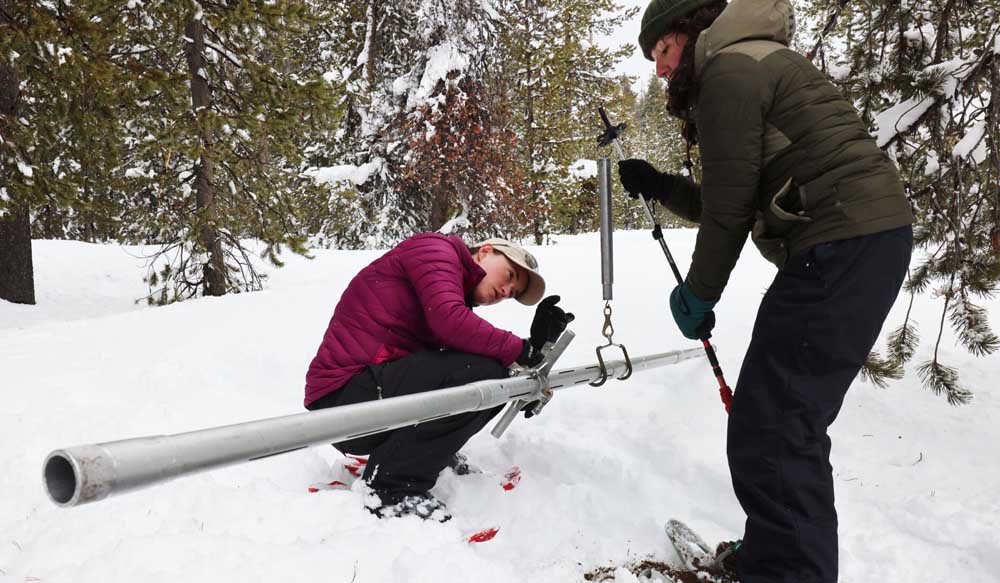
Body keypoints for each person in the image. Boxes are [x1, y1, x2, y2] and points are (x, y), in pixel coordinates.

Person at [619, 0, 914, 581]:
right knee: (778, 419)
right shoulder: (750, 59)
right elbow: (733, 193)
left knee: (773, 424)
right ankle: (774, 559)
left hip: (841, 242)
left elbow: (729, 209)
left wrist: (699, 293)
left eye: (663, 50)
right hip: (857, 240)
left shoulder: (730, 68)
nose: (660, 69)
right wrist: (660, 185)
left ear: (691, 29)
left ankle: (784, 571)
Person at [304, 233, 573, 522]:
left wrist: (530, 357)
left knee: (491, 378)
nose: (506, 290)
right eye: (510, 275)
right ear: (485, 251)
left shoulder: (450, 290)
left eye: (513, 293)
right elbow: (450, 320)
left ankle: (425, 457)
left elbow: (458, 351)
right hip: (342, 398)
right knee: (484, 376)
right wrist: (521, 350)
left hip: (367, 395)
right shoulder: (435, 250)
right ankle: (392, 488)